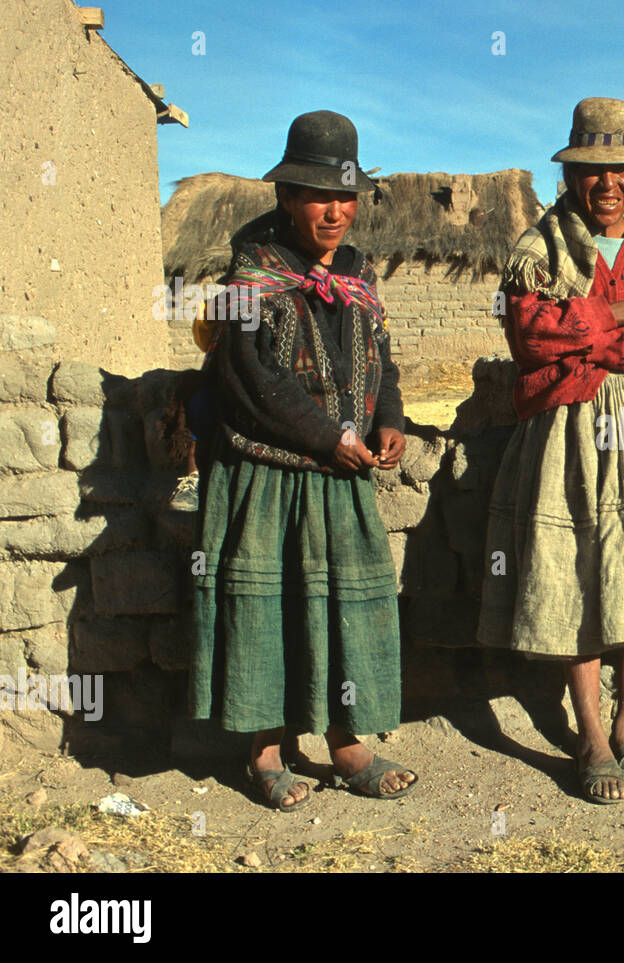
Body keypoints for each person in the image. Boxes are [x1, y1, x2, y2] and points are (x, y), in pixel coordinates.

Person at [477, 97, 624, 803]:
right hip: (571, 432)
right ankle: (588, 732)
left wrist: (593, 335)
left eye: (621, 169)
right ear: (571, 175)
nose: (608, 183)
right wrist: (619, 316)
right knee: (576, 574)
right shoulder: (540, 248)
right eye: (592, 170)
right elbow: (530, 336)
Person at [189, 110, 417, 809]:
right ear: (286, 196)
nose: (335, 210)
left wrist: (387, 418)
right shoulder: (252, 275)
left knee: (349, 609)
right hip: (266, 472)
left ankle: (346, 745)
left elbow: (380, 359)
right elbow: (254, 378)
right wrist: (327, 437)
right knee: (266, 609)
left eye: (346, 197)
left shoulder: (358, 275)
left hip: (342, 474)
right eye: (319, 196)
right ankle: (261, 751)